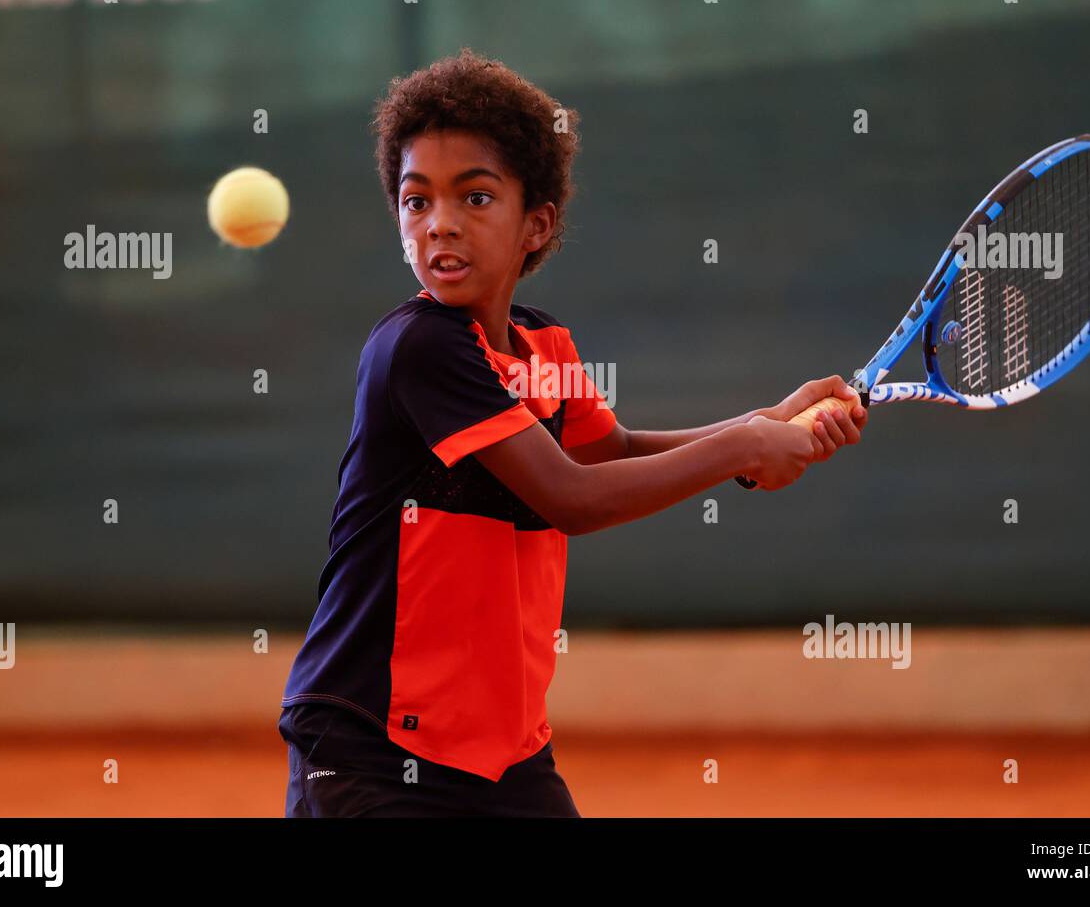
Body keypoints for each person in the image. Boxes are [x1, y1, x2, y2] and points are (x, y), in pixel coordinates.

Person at [279, 48, 867, 817]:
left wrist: (761, 421)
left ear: (538, 223)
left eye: (476, 197)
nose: (440, 224)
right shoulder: (418, 348)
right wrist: (747, 450)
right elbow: (572, 498)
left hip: (505, 751)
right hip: (373, 751)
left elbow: (608, 452)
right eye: (416, 201)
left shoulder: (542, 344)